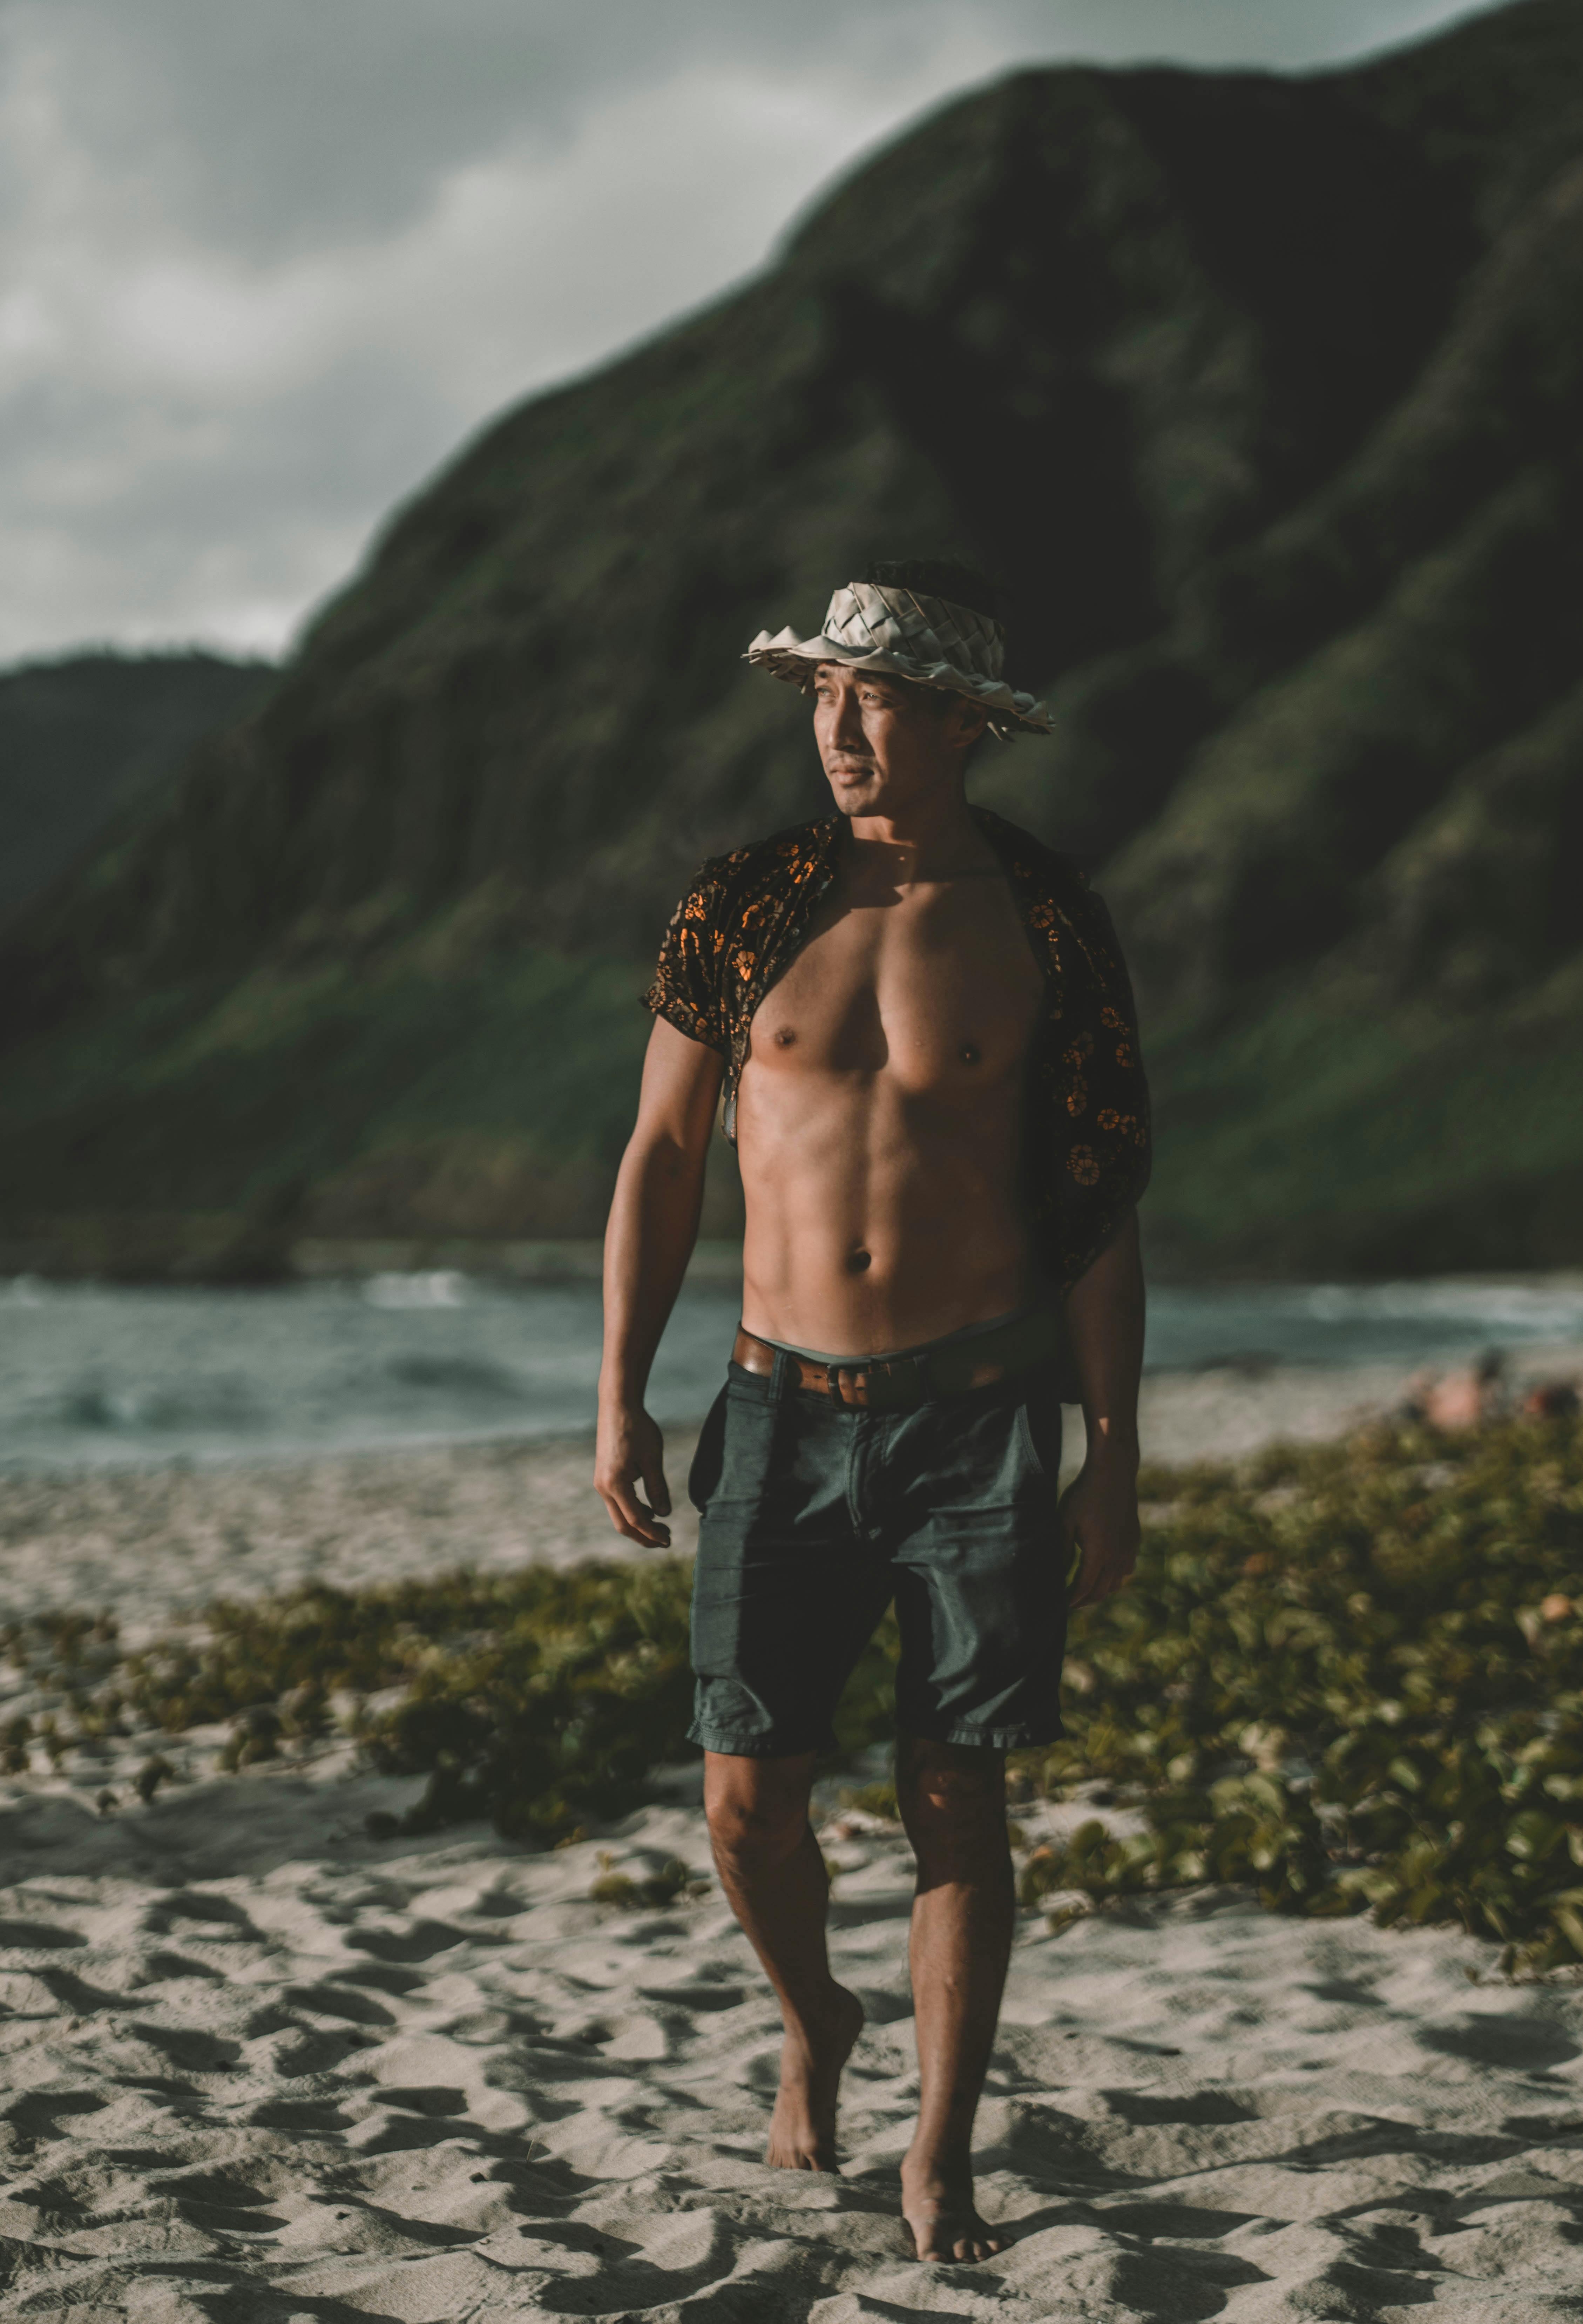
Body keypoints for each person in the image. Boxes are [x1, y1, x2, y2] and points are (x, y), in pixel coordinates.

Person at [595, 560, 1149, 2265]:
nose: (839, 728)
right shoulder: (743, 904)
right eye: (821, 696)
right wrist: (618, 1388)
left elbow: (1098, 1205)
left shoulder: (1049, 918)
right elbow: (665, 1159)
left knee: (953, 1796)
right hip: (775, 1407)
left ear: (964, 723)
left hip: (978, 1418)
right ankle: (816, 2019)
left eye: (879, 698)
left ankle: (936, 2154)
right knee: (745, 1801)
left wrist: (1113, 1450)